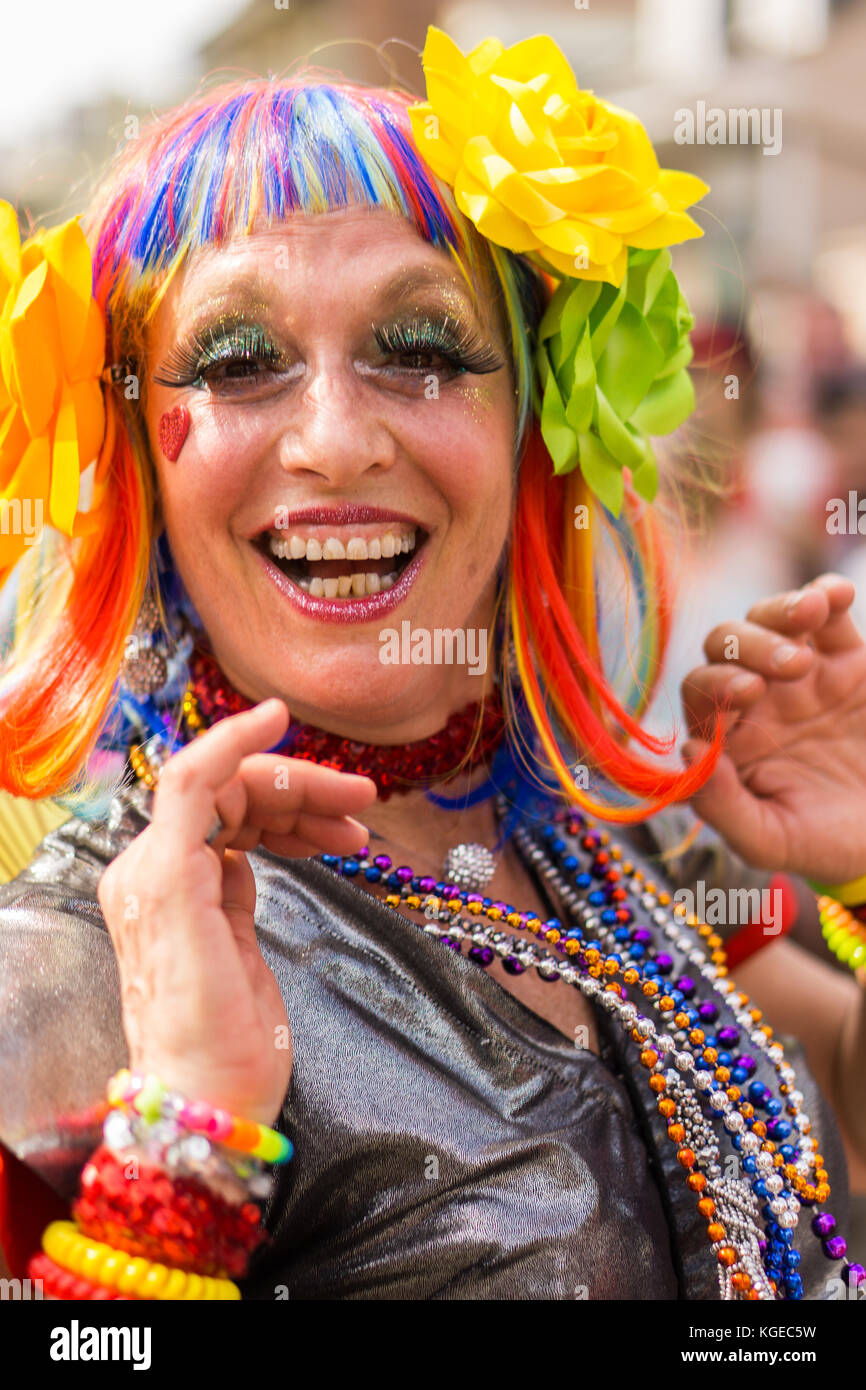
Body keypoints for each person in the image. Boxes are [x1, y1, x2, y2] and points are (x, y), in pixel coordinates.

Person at [1, 26, 865, 1302]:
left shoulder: (620, 847)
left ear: (529, 423)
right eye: (241, 362)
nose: (337, 441)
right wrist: (184, 1153)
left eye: (418, 348)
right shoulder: (64, 976)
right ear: (133, 455)